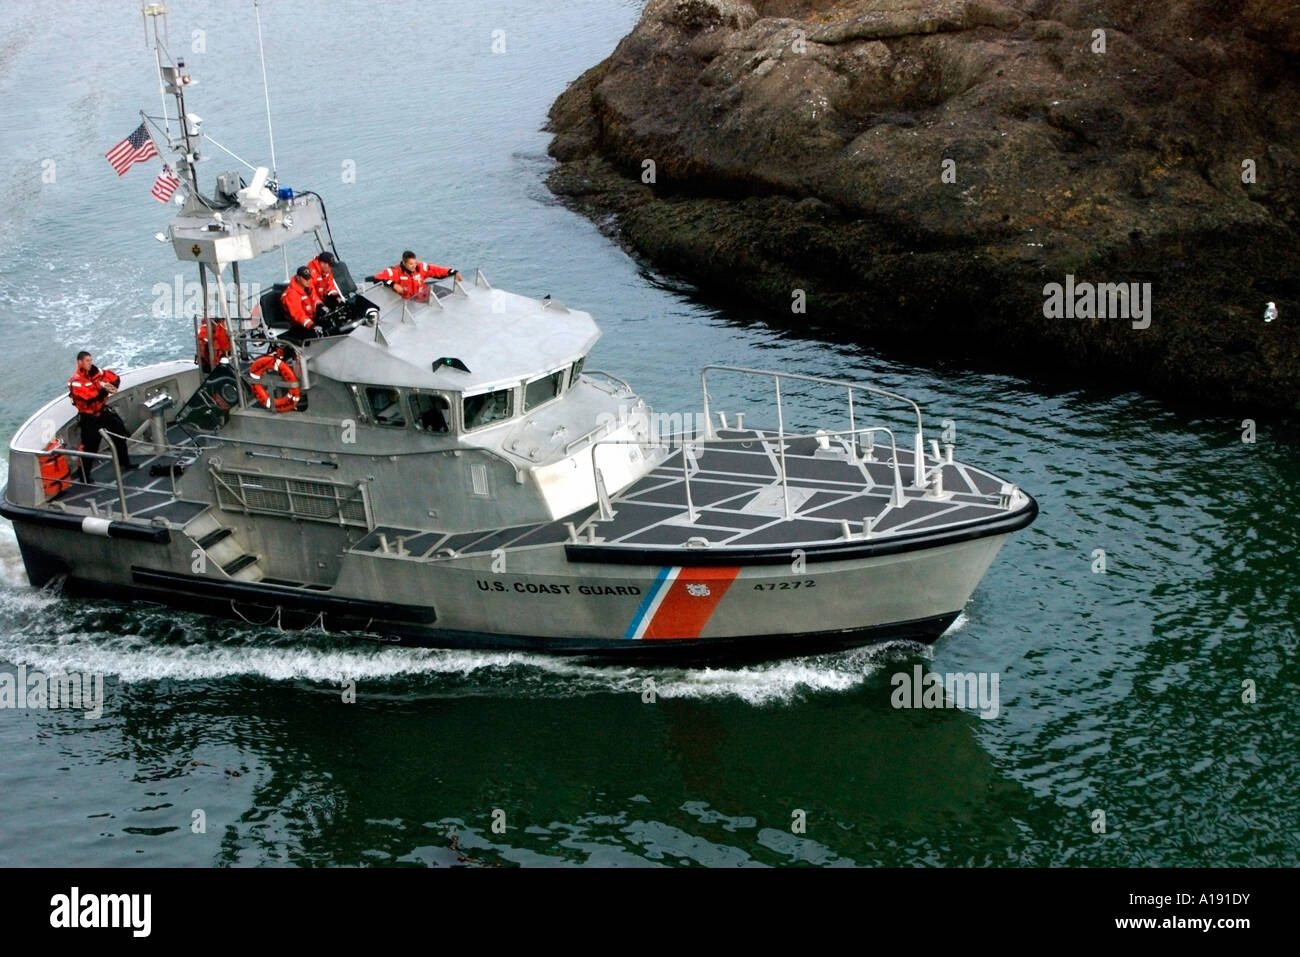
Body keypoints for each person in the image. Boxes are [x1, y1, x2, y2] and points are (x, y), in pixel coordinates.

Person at [68, 351, 133, 472]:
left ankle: (125, 462)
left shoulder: (97, 372)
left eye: (91, 360)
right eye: (87, 361)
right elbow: (90, 396)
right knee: (90, 447)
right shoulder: (76, 381)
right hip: (89, 418)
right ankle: (84, 475)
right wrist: (105, 389)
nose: (90, 363)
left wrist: (113, 385)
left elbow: (114, 377)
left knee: (119, 434)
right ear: (80, 362)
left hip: (103, 412)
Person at [365, 251, 461, 301]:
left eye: (415, 263)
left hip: (424, 299)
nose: (414, 266)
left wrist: (453, 271)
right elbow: (375, 278)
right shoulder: (395, 272)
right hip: (408, 303)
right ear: (404, 263)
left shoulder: (420, 267)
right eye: (411, 264)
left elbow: (436, 271)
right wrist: (393, 284)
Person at [279, 266, 326, 341]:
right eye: (305, 279)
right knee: (317, 333)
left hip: (311, 318)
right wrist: (311, 325)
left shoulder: (308, 288)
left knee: (329, 321)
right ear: (298, 277)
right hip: (298, 326)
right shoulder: (292, 294)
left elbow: (314, 298)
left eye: (309, 278)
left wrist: (320, 306)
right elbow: (298, 314)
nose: (308, 281)